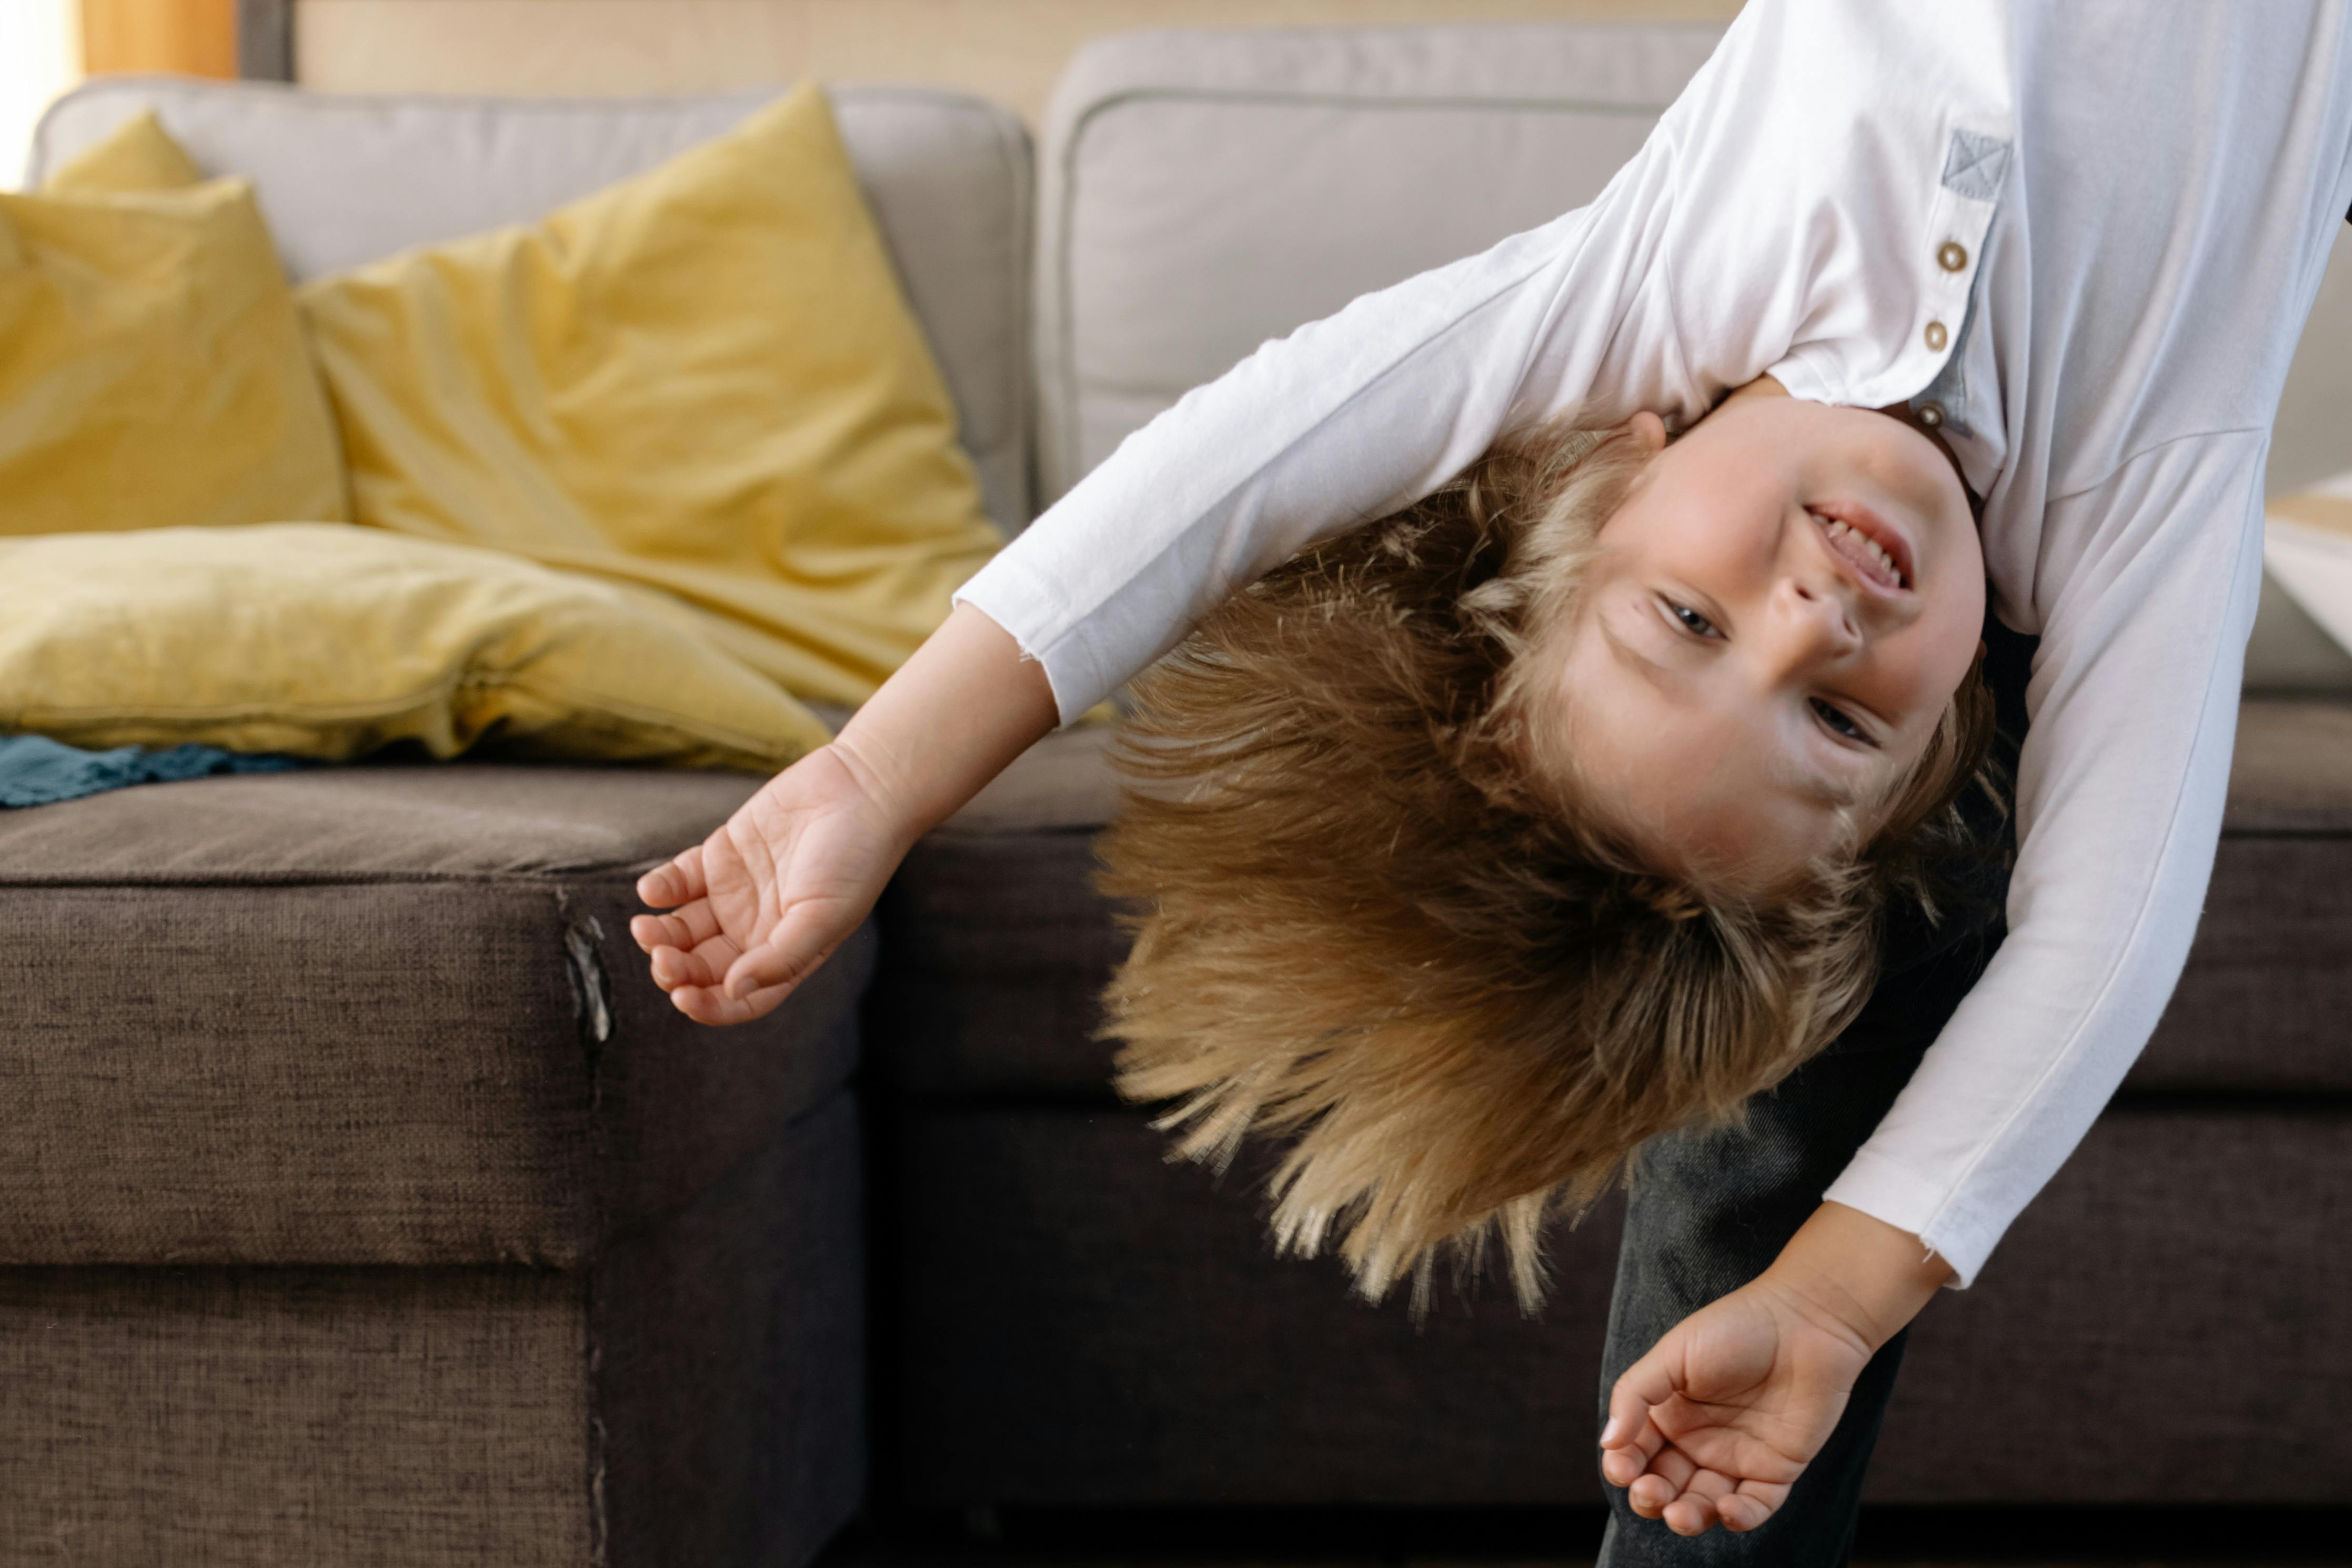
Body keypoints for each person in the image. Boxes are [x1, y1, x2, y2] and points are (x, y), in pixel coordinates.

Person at [630, 3, 2352, 1559]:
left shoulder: (1665, 288)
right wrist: (1830, 1304)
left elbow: (1250, 462)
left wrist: (869, 774)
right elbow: (2105, 937)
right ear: (1951, 734)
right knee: (1837, 980)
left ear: (1609, 473)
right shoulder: (2143, 492)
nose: (1814, 619)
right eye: (1839, 722)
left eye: (1687, 619)